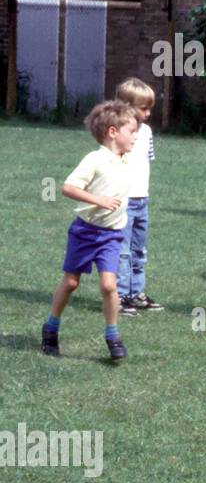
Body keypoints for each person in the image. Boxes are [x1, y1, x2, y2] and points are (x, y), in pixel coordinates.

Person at [41, 100, 138, 361]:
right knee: (71, 282)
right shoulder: (94, 159)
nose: (136, 136)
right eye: (132, 130)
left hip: (112, 235)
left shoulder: (128, 159)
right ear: (112, 132)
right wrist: (99, 201)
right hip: (84, 232)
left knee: (109, 285)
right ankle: (51, 328)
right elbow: (68, 188)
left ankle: (113, 335)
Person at [113, 77, 163, 315]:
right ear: (125, 106)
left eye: (149, 108)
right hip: (123, 200)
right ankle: (120, 296)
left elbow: (147, 160)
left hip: (142, 199)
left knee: (139, 250)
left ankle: (137, 293)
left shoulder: (147, 132)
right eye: (143, 108)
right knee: (122, 251)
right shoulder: (116, 133)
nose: (148, 113)